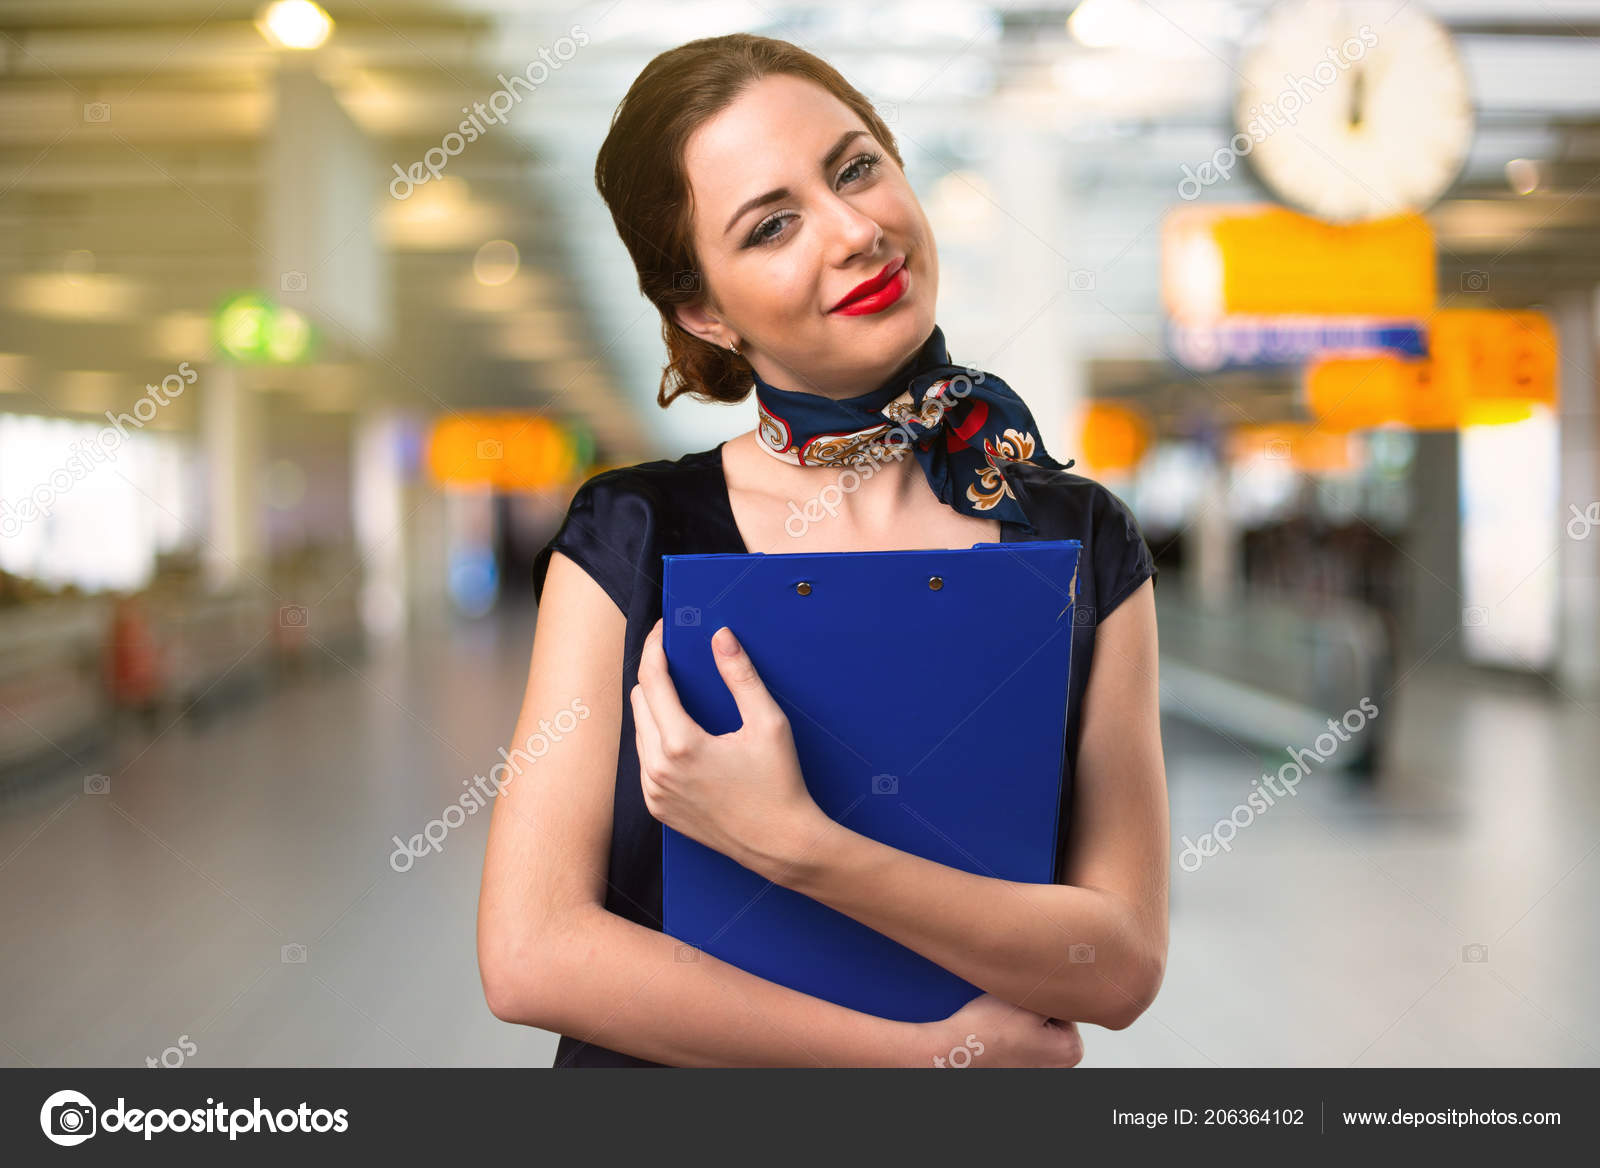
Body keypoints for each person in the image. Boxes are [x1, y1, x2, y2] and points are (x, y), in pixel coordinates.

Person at [476, 33, 1169, 1068]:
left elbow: (1115, 964)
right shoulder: (633, 533)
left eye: (856, 168)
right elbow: (530, 953)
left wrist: (803, 846)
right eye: (770, 226)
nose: (854, 231)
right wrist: (920, 1061)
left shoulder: (1080, 536)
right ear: (704, 311)